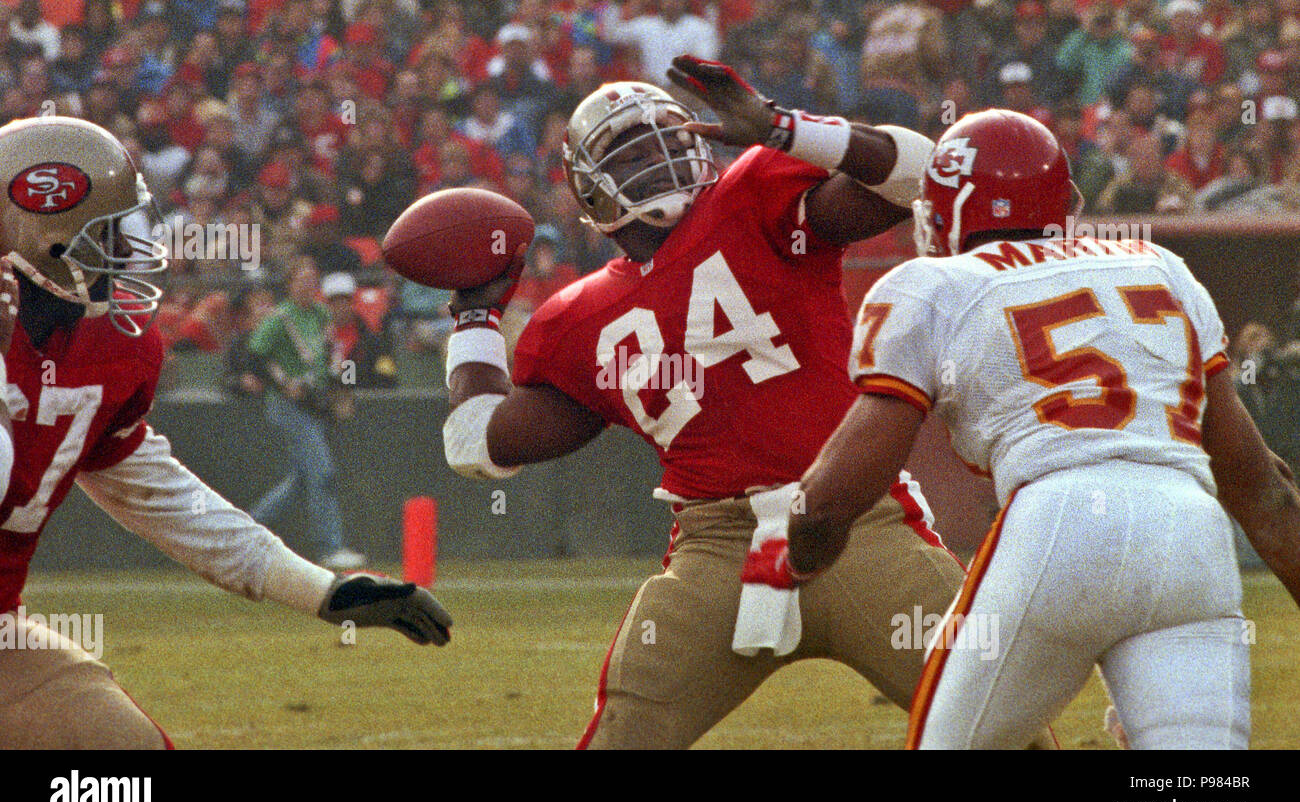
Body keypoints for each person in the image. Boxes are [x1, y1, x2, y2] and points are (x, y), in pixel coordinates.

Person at [439, 57, 1054, 749]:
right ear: (591, 191)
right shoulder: (575, 319)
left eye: (667, 142)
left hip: (858, 523)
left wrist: (785, 129)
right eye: (631, 153)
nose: (657, 160)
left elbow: (923, 175)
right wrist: (473, 319)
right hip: (716, 550)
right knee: (624, 736)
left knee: (1001, 724)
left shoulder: (753, 196)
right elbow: (475, 446)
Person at [787, 109, 1300, 749]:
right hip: (1190, 531)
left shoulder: (932, 286)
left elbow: (833, 496)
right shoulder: (1158, 266)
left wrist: (799, 557)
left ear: (950, 210)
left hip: (1058, 523)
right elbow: (1265, 491)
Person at [0, 117, 451, 749]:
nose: (134, 250)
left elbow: (168, 502)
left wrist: (321, 588)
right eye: (109, 234)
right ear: (39, 235)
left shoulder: (115, 348)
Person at [247, 255, 366, 571]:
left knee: (301, 481)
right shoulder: (280, 318)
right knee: (323, 472)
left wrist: (340, 388)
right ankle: (330, 547)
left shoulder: (319, 315)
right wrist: (284, 382)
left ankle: (247, 531)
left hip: (315, 403)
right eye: (303, 279)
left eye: (313, 279)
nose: (309, 284)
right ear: (290, 284)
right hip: (289, 406)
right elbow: (255, 355)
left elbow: (330, 356)